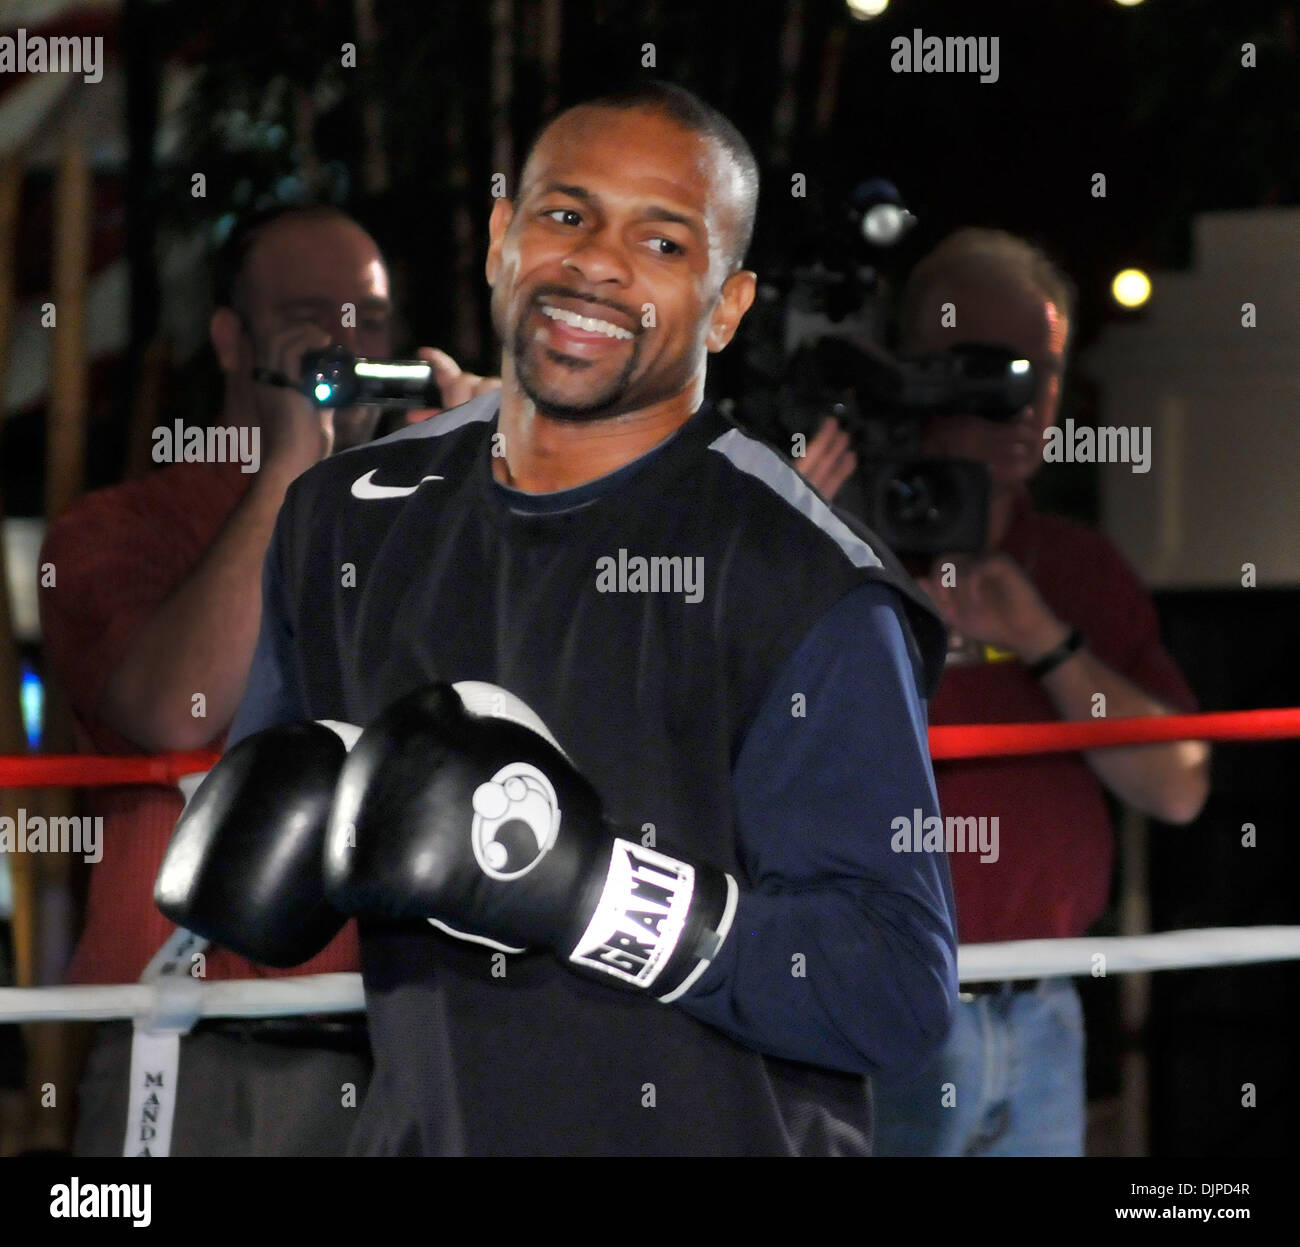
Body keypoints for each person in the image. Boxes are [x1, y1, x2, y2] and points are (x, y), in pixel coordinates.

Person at [187, 81, 961, 1157]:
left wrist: (596, 891)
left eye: (661, 240)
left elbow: (892, 990)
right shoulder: (347, 519)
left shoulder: (802, 578)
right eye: (566, 214)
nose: (597, 261)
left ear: (727, 308)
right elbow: (280, 831)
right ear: (504, 239)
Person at [37, 203, 496, 1156]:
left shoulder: (426, 513)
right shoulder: (119, 527)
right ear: (231, 337)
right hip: (195, 1046)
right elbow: (178, 707)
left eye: (367, 319)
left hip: (409, 1042)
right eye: (308, 315)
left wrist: (505, 489)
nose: (344, 341)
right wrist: (296, 452)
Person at [803, 228, 1210, 1155]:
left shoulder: (1076, 566)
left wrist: (1045, 642)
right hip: (881, 1007)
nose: (1029, 401)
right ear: (912, 372)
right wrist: (789, 544)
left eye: (1047, 370)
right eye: (994, 367)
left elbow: (1180, 785)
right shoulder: (829, 543)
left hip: (1045, 1009)